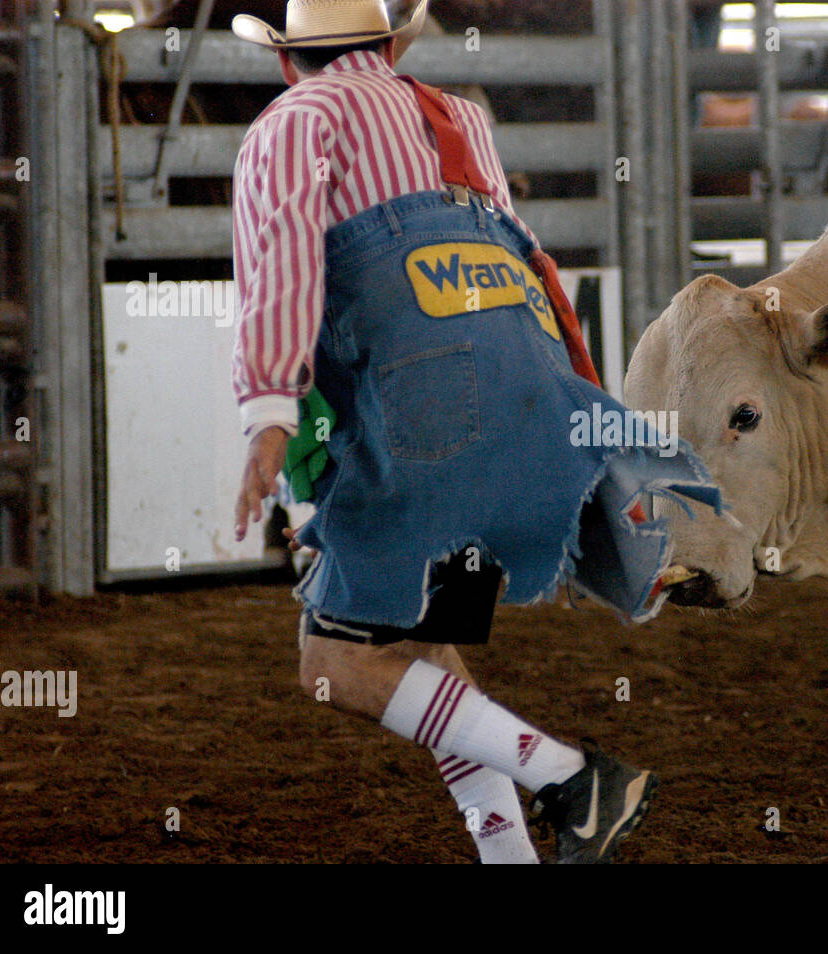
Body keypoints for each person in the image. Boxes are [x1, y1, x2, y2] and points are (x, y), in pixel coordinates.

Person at [228, 0, 720, 864]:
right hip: (528, 395)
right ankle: (508, 853)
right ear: (389, 44)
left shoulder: (293, 121)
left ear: (286, 61)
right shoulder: (463, 119)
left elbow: (286, 257)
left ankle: (573, 777)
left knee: (330, 666)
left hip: (424, 406)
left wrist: (269, 414)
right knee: (419, 646)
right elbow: (532, 262)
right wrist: (579, 411)